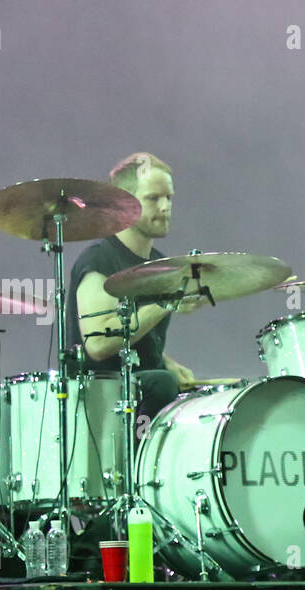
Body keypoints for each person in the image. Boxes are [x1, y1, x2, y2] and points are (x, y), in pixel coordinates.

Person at [68, 152, 200, 421]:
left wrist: (166, 362)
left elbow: (135, 348)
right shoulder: (99, 260)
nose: (165, 207)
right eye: (153, 198)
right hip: (101, 406)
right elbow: (98, 344)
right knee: (162, 383)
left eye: (169, 198)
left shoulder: (159, 264)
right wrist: (168, 302)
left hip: (139, 392)